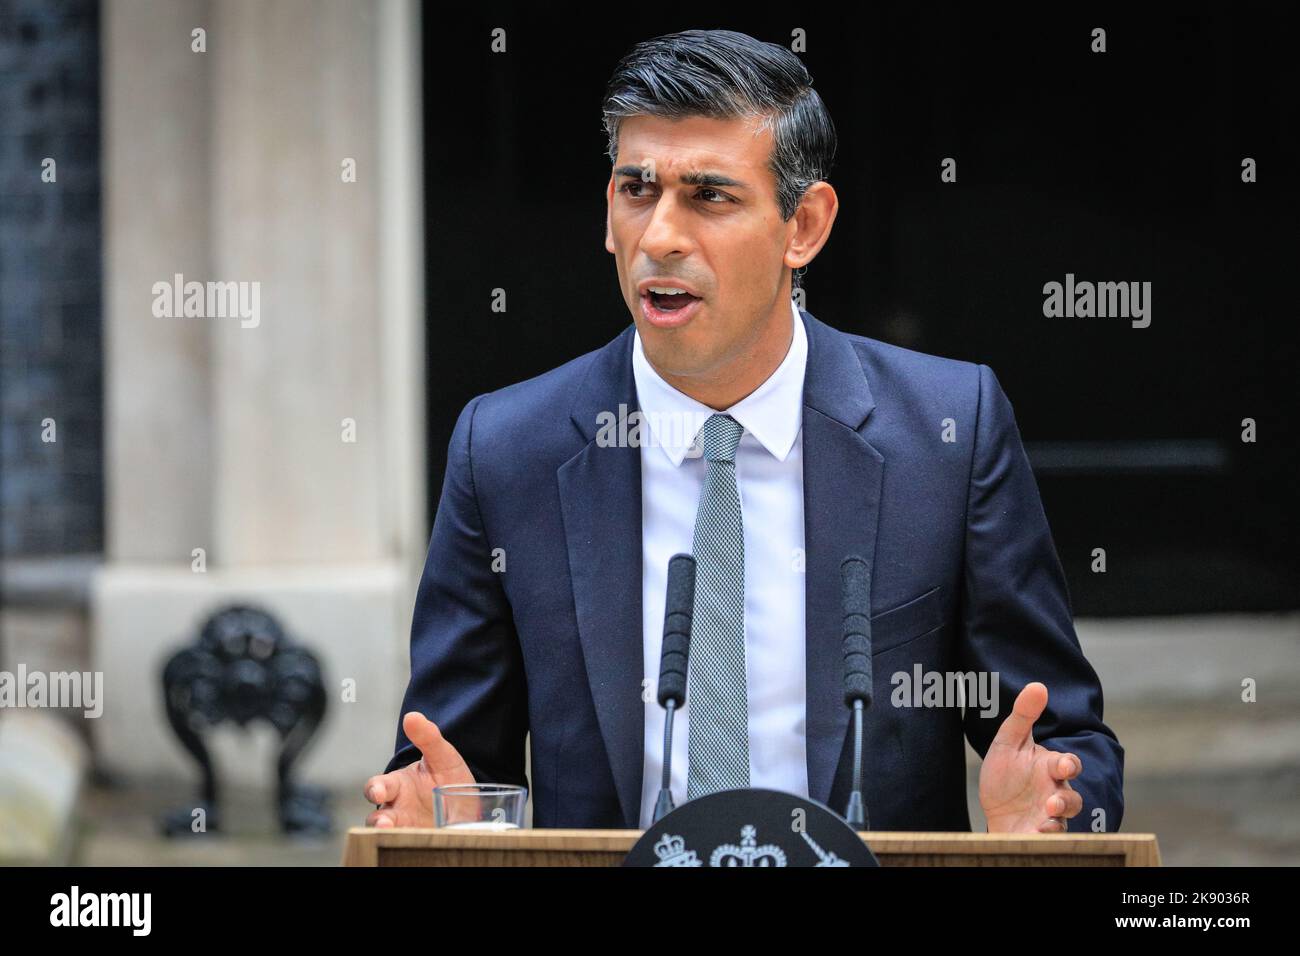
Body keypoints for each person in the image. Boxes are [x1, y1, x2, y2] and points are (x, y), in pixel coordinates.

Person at [365, 29, 1123, 834]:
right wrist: (439, 820)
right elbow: (455, 770)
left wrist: (1055, 812)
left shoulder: (947, 432)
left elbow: (1063, 740)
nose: (660, 236)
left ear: (805, 226)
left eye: (710, 197)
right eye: (637, 191)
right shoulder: (507, 448)